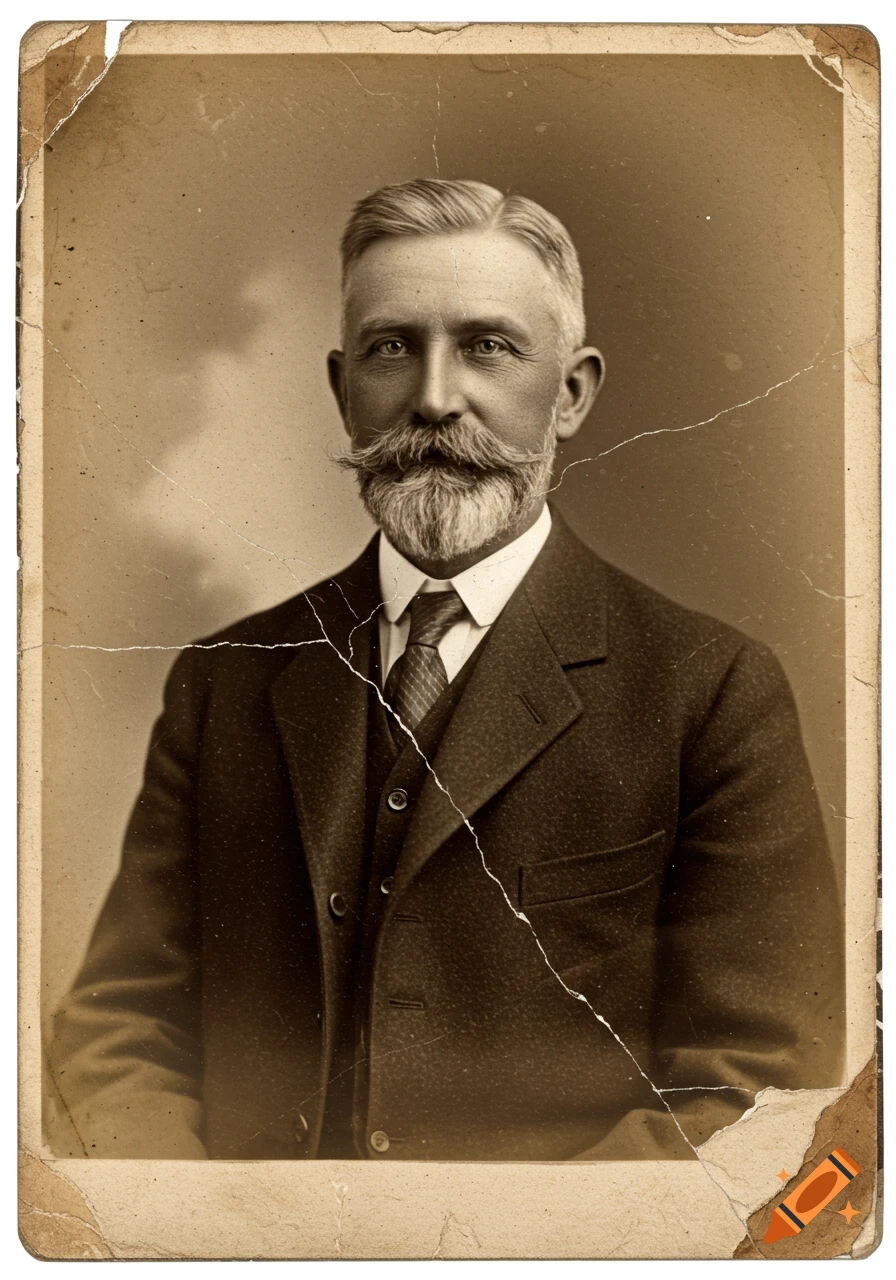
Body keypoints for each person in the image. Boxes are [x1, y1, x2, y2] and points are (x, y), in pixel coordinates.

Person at [48, 179, 844, 1162]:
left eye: (487, 347)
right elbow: (120, 1032)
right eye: (391, 348)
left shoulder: (708, 691)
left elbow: (753, 1081)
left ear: (570, 394)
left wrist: (491, 1240)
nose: (433, 398)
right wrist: (202, 1224)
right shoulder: (225, 682)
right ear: (342, 389)